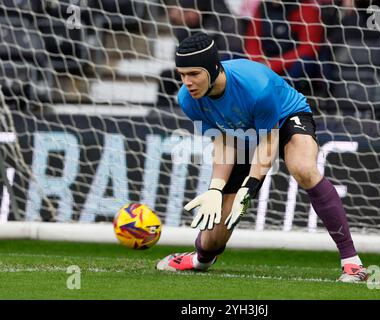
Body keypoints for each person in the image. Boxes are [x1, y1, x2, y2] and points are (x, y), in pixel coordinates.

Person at [156, 32, 368, 283]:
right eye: (182, 75)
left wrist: (250, 186)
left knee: (303, 168)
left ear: (213, 68)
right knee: (212, 239)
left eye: (194, 74)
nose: (187, 82)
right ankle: (199, 259)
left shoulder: (256, 87)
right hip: (241, 134)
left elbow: (269, 141)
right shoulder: (188, 100)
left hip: (287, 117)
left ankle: (352, 262)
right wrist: (215, 188)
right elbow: (223, 140)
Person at [157, 0, 244, 106]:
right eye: (184, 12)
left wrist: (203, 65)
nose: (188, 15)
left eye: (191, 10)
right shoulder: (184, 26)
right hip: (193, 70)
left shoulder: (224, 20)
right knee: (166, 77)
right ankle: (168, 116)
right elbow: (180, 53)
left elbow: (231, 52)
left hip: (221, 71)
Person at [244, 0, 324, 92]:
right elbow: (252, 39)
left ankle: (279, 95)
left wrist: (272, 65)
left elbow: (308, 48)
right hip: (264, 62)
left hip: (290, 64)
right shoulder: (263, 7)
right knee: (231, 59)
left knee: (304, 62)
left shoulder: (306, 8)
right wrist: (257, 64)